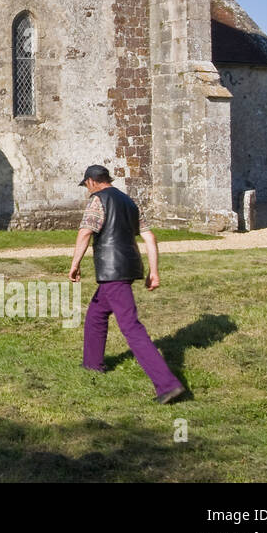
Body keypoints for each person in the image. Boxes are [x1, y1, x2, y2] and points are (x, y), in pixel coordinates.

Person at [68, 164, 187, 404]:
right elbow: (149, 237)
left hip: (113, 272)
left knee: (131, 327)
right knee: (96, 314)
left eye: (87, 185)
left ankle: (168, 384)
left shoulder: (97, 200)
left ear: (91, 181)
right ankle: (92, 364)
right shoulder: (129, 202)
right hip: (128, 267)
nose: (87, 190)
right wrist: (154, 271)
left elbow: (85, 232)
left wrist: (74, 264)